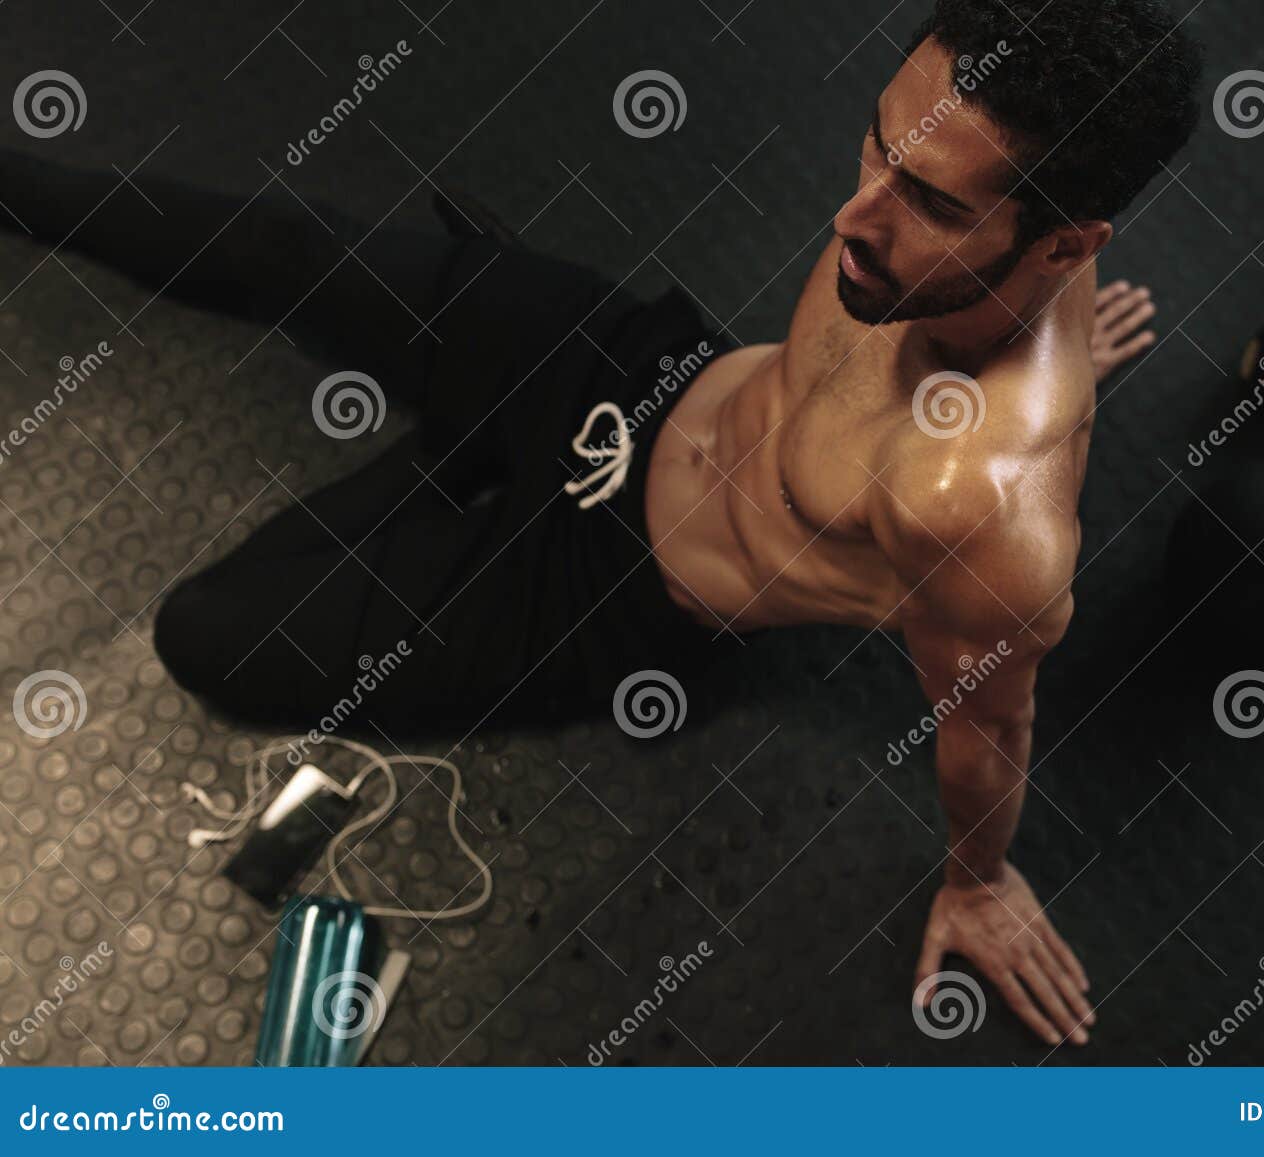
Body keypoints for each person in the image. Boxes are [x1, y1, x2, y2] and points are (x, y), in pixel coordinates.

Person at [0, 0, 1201, 1047]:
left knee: (204, 632)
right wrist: (1047, 340)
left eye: (925, 201)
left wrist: (980, 880)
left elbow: (990, 721)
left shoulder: (972, 504)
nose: (855, 214)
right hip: (636, 367)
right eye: (877, 144)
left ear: (1063, 244)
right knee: (290, 248)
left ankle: (455, 445)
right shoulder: (988, 191)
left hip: (600, 577)